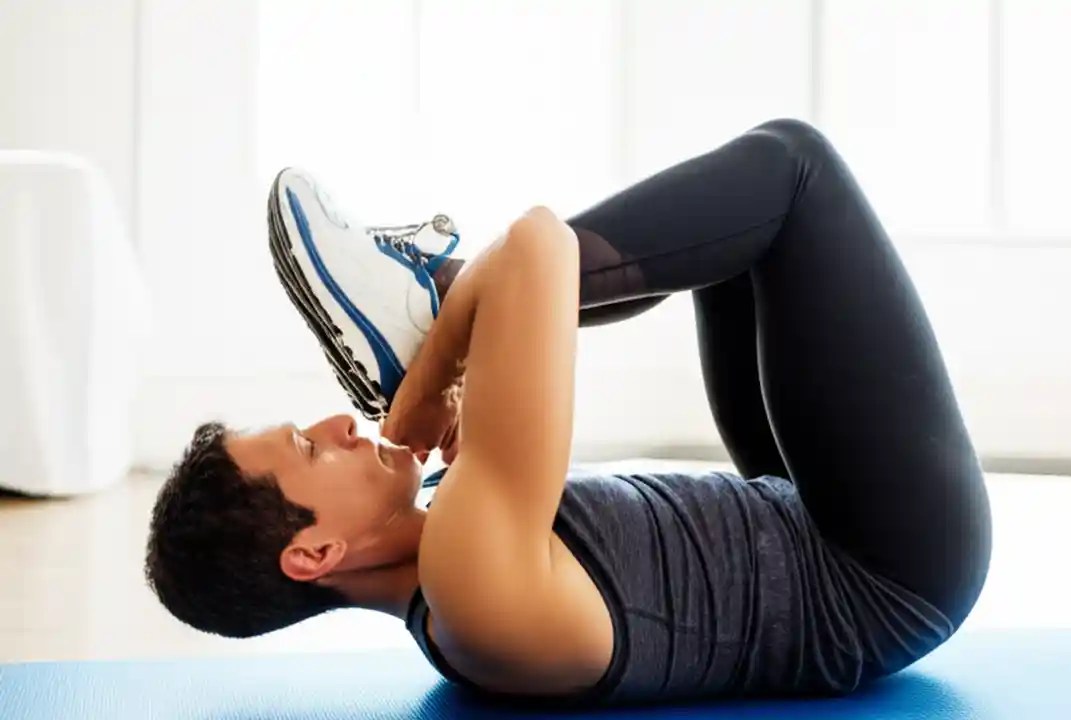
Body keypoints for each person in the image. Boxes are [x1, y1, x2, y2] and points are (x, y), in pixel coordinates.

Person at [145, 118, 992, 706]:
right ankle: (430, 301)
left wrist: (453, 365)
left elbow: (527, 284)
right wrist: (439, 366)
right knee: (792, 169)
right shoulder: (471, 580)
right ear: (316, 553)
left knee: (733, 248)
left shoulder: (452, 524)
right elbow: (537, 249)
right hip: (882, 567)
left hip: (794, 512)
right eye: (309, 447)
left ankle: (434, 307)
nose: (336, 425)